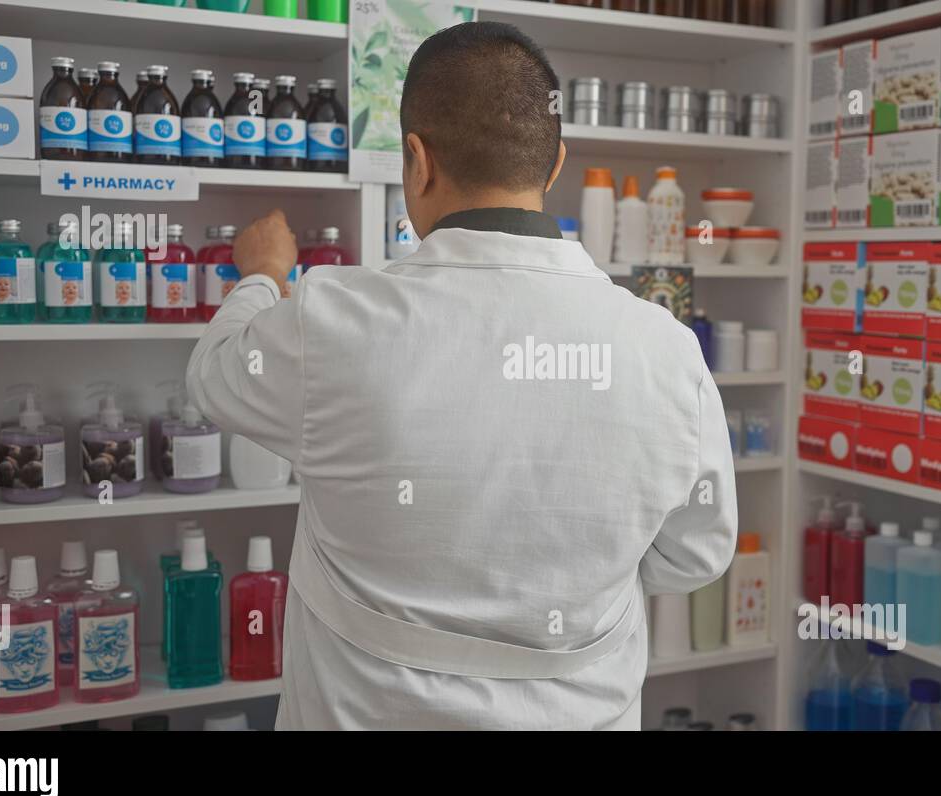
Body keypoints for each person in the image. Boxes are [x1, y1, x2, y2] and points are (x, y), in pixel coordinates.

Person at [186, 21, 737, 730]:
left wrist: (262, 274)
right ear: (555, 162)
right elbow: (694, 556)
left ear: (416, 161)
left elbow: (214, 373)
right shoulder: (665, 349)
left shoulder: (333, 322)